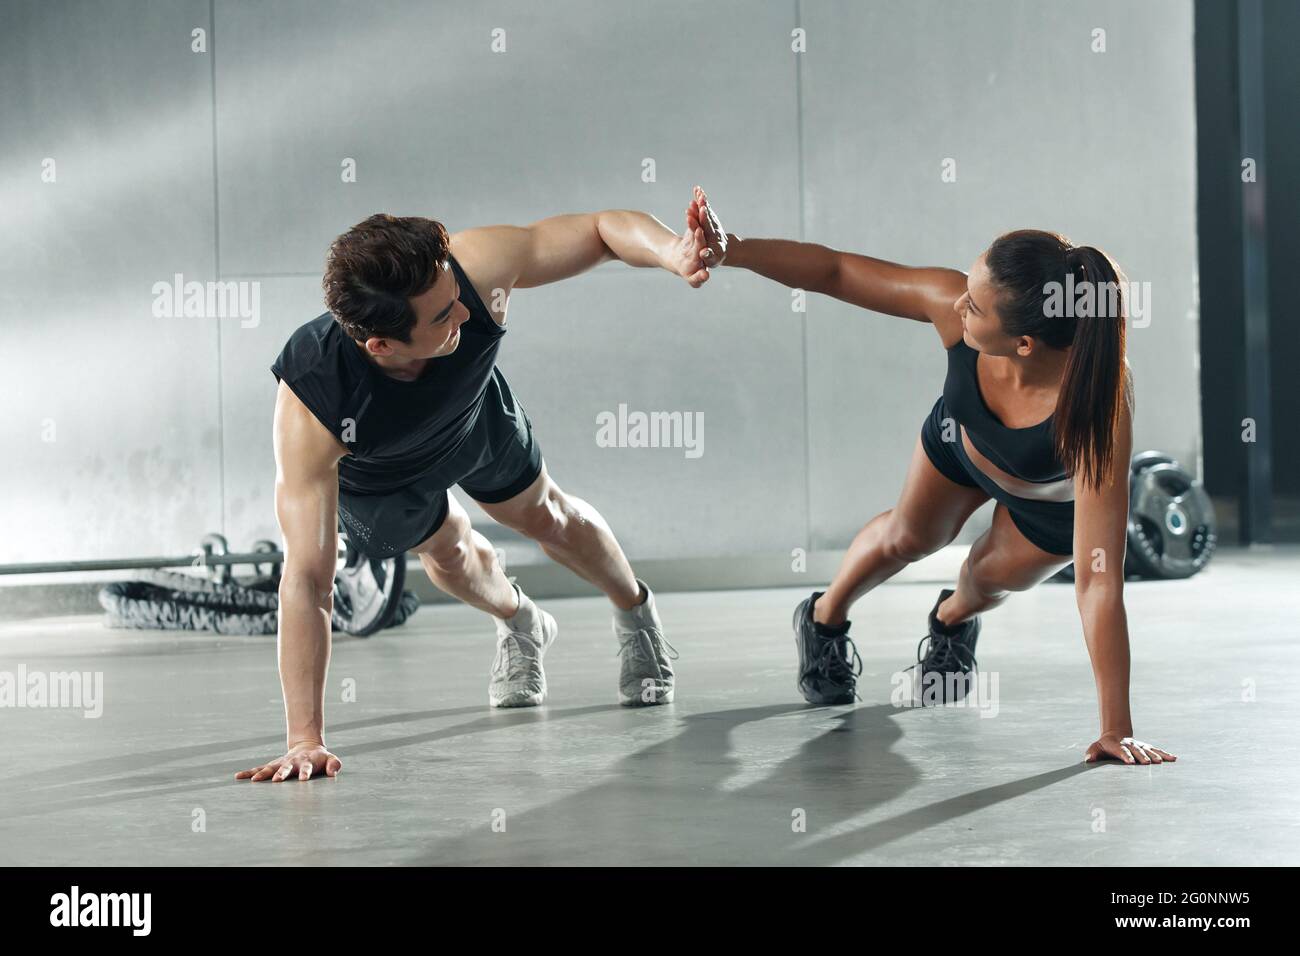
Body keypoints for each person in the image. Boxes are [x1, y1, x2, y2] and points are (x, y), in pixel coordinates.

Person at [689, 187, 1175, 766]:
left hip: (1050, 502)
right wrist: (733, 248)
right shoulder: (957, 311)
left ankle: (949, 622)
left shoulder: (1098, 402)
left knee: (988, 580)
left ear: (1022, 343)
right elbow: (837, 271)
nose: (959, 307)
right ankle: (824, 617)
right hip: (960, 445)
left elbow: (1098, 578)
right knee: (910, 538)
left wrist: (1115, 728)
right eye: (967, 292)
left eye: (976, 305)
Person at [238, 208, 714, 782]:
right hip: (379, 476)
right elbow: (308, 581)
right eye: (443, 314)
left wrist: (671, 251)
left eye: (455, 293)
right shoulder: (312, 403)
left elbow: (598, 231)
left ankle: (636, 614)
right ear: (382, 345)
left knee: (550, 518)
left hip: (471, 419)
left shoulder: (473, 269)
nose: (466, 308)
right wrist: (304, 739)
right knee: (449, 555)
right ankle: (521, 623)